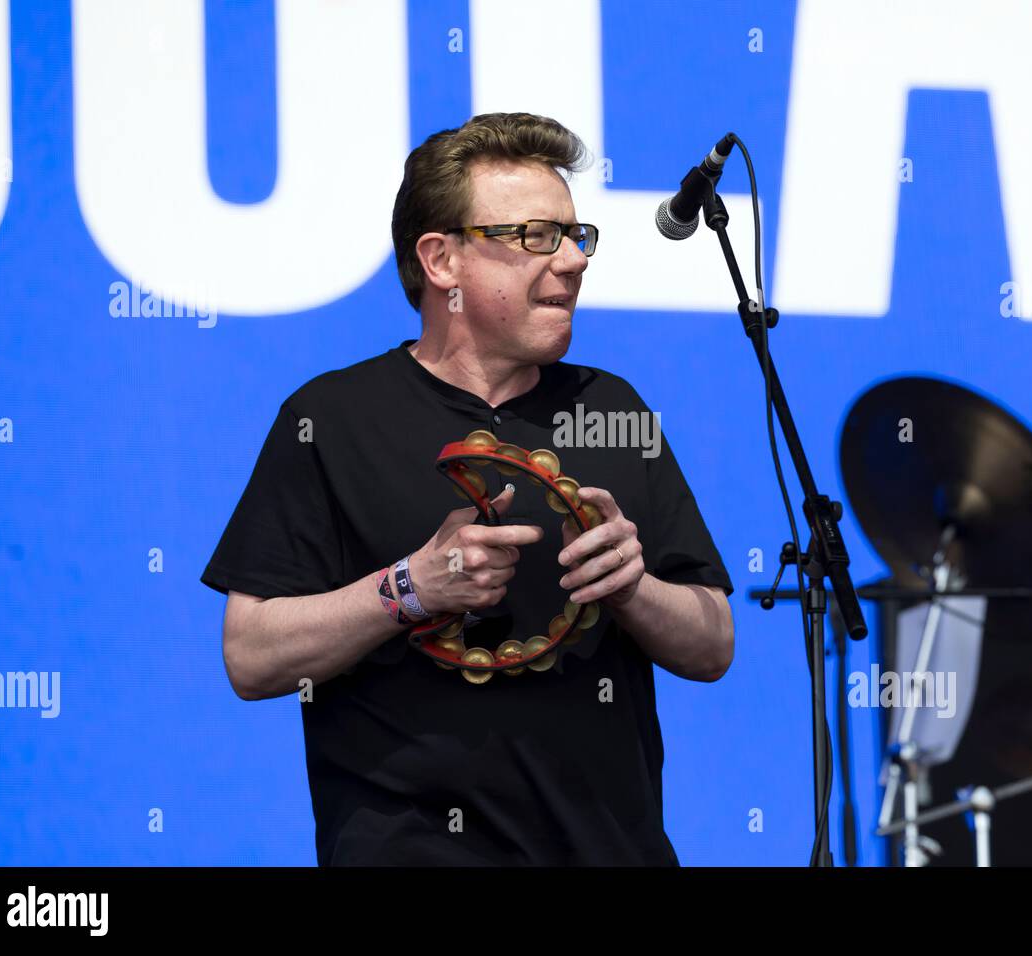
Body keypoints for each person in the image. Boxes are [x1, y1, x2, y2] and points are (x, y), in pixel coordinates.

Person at [201, 112, 734, 866]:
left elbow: (713, 643)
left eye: (578, 237)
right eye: (536, 237)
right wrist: (410, 588)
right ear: (442, 260)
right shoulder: (329, 419)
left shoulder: (613, 411)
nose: (573, 261)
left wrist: (634, 588)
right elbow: (251, 656)